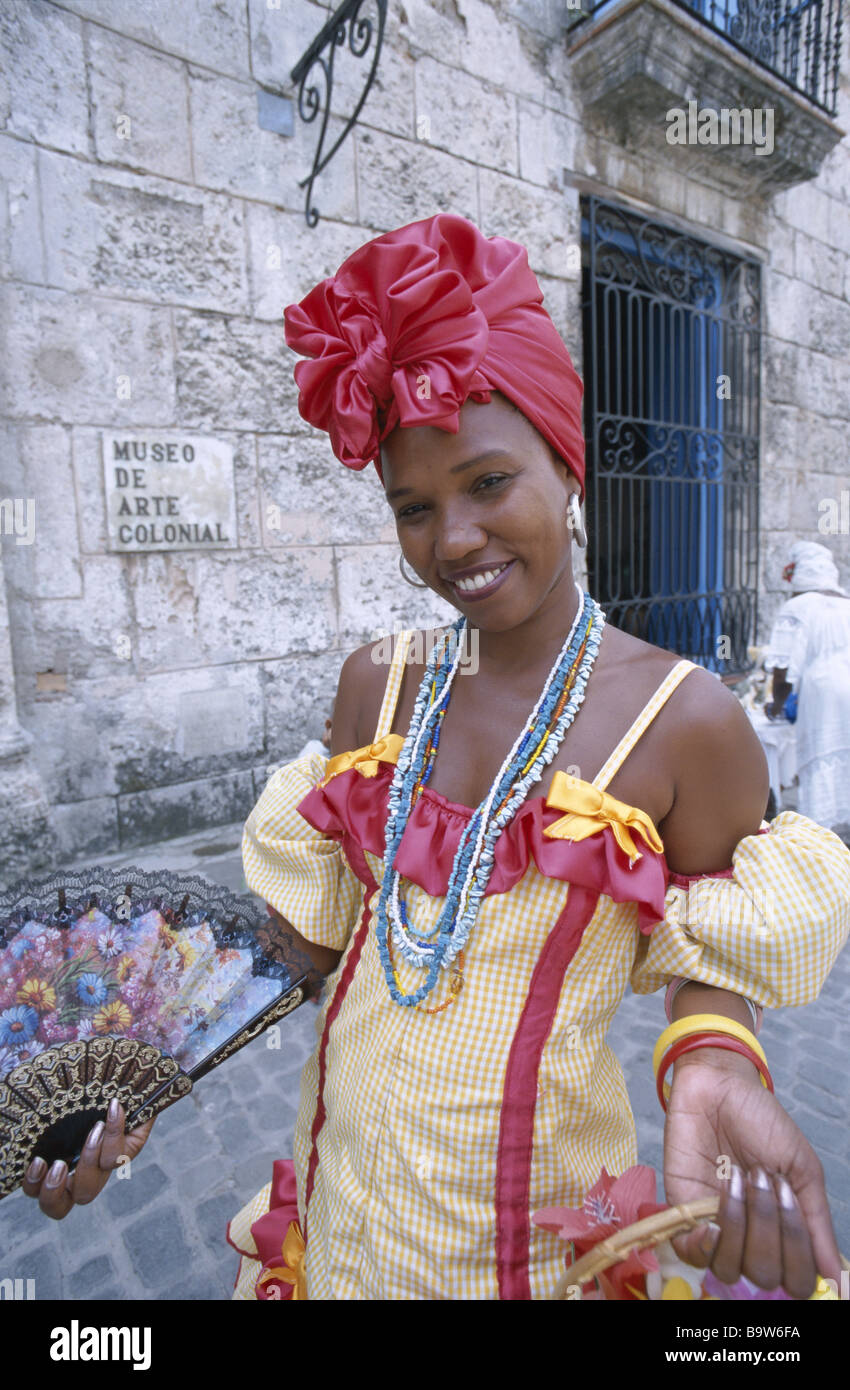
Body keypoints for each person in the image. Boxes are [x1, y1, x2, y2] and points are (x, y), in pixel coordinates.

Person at [22, 215, 850, 1302]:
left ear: (567, 466)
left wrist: (708, 1060)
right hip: (346, 1218)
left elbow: (720, 949)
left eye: (489, 483)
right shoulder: (382, 687)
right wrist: (149, 1067)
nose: (452, 538)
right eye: (413, 508)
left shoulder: (681, 721)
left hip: (543, 1243)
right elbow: (310, 945)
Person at [764, 541, 850, 835]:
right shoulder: (847, 604)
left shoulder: (797, 606)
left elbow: (783, 667)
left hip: (821, 691)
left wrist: (776, 706)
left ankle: (821, 835)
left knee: (820, 752)